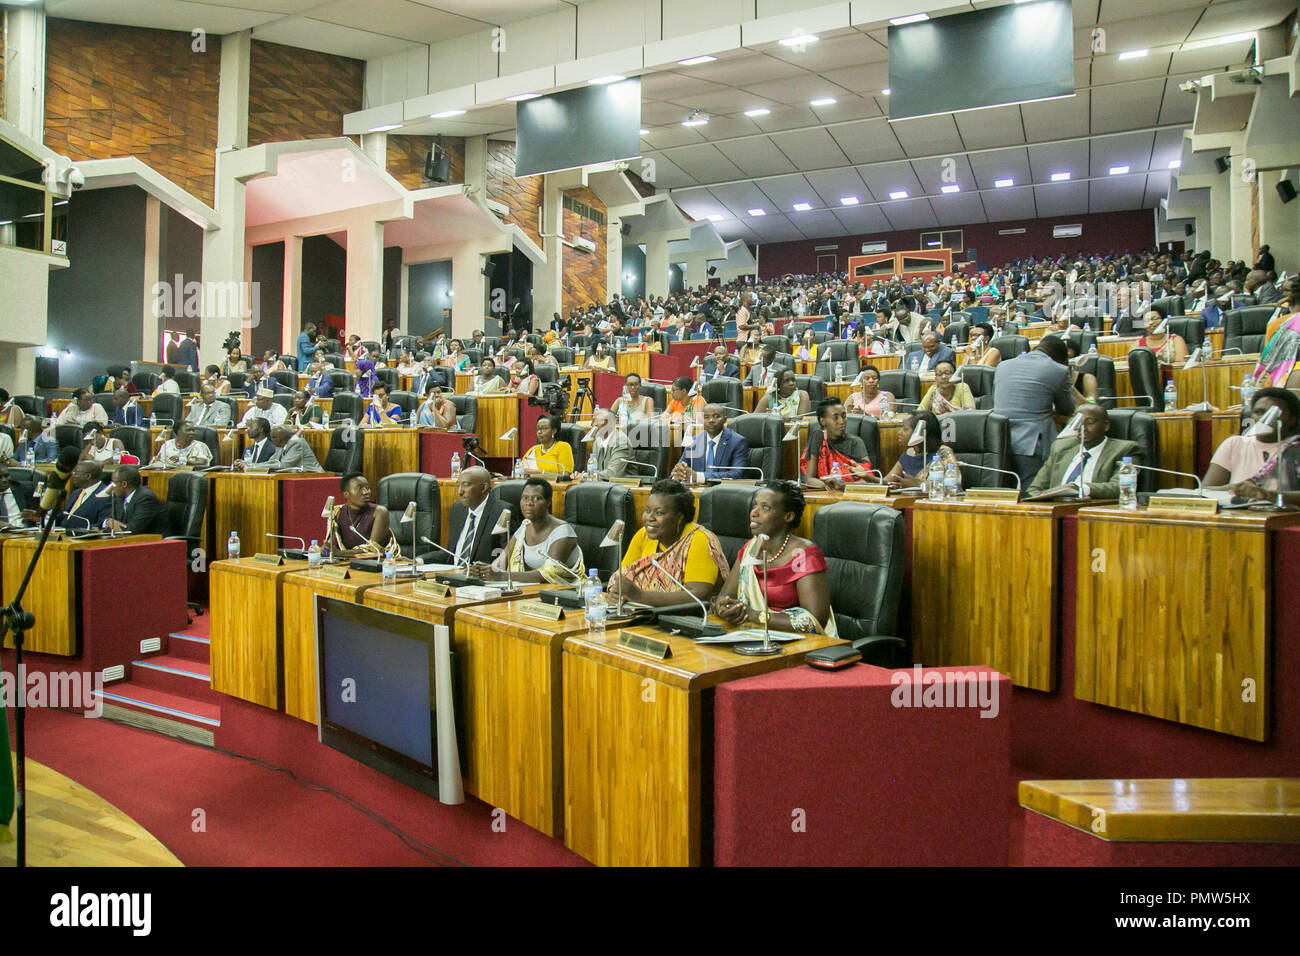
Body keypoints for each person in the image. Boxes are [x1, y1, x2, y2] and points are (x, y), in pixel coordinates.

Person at [712, 482, 836, 636]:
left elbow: (814, 620)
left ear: (788, 516)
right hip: (753, 636)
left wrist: (755, 616)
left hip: (802, 644)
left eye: (765, 508)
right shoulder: (750, 549)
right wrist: (725, 607)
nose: (754, 513)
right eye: (755, 506)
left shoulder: (803, 555)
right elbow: (724, 596)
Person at [613, 479, 728, 607]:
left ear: (679, 517)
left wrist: (640, 596)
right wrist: (617, 593)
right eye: (647, 511)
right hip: (642, 614)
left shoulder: (700, 540)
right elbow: (621, 579)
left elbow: (698, 596)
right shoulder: (643, 535)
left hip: (686, 620)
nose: (649, 518)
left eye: (659, 513)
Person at [992, 334, 1080, 485]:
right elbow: (1067, 409)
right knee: (1031, 493)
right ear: (1061, 358)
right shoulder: (1057, 369)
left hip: (998, 439)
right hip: (1032, 443)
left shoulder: (1003, 366)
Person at [468, 478, 584, 585]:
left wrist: (502, 576)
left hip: (565, 592)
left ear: (548, 502)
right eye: (525, 498)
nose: (529, 503)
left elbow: (548, 575)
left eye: (536, 498)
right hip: (533, 591)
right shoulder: (525, 526)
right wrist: (483, 570)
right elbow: (503, 560)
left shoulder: (563, 532)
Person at [1026, 403, 1138, 498]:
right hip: (1056, 509)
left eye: (1090, 422)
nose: (1082, 428)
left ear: (1106, 426)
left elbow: (1119, 487)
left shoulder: (1125, 449)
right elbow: (1035, 489)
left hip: (1091, 509)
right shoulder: (1061, 447)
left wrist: (1080, 487)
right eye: (1078, 422)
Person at [1205, 388, 1299, 490]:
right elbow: (1206, 492)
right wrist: (1235, 489)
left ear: (1292, 419)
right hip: (1235, 505)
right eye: (1258, 412)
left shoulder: (1295, 449)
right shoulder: (1234, 444)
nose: (1263, 418)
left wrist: (1267, 496)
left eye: (1271, 414)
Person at [801, 397, 875, 490]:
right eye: (835, 418)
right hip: (825, 494)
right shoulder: (818, 439)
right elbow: (809, 479)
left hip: (852, 495)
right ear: (822, 421)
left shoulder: (855, 442)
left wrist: (839, 486)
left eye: (844, 416)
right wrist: (828, 484)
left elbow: (868, 480)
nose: (841, 421)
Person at [446, 466, 508, 566]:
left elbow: (507, 554)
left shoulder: (502, 512)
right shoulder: (457, 509)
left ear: (484, 487)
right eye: (458, 486)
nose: (460, 492)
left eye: (466, 485)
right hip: (454, 574)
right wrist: (419, 560)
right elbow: (450, 552)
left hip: (482, 576)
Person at [672, 404, 751, 481]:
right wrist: (678, 475)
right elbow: (679, 469)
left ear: (725, 420)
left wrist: (699, 477)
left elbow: (737, 474)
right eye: (706, 417)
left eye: (716, 417)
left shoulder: (737, 442)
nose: (711, 420)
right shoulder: (694, 442)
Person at [883, 411, 957, 488]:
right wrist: (870, 478)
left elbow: (953, 485)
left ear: (920, 432)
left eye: (905, 429)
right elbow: (887, 482)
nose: (899, 432)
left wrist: (919, 485)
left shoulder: (943, 452)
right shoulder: (909, 453)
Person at [329, 473, 395, 557]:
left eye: (367, 488)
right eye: (360, 488)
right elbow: (333, 546)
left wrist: (340, 554)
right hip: (347, 564)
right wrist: (326, 549)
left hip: (381, 565)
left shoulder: (380, 512)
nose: (366, 492)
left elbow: (372, 549)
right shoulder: (338, 512)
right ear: (346, 494)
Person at [104, 465, 168, 534]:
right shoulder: (120, 497)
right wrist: (107, 521)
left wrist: (111, 525)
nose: (111, 486)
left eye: (114, 483)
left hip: (148, 540)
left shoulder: (146, 499)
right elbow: (110, 519)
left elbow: (132, 530)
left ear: (124, 484)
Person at [57, 461, 113, 531]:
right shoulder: (76, 492)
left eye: (76, 473)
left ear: (88, 476)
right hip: (61, 534)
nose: (73, 476)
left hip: (82, 538)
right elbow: (65, 516)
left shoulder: (106, 495)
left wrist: (84, 530)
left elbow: (102, 523)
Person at [587, 408, 635, 479]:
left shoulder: (621, 441)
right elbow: (596, 470)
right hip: (604, 484)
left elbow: (613, 474)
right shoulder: (597, 441)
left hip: (625, 485)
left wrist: (586, 475)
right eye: (593, 421)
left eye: (599, 421)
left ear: (611, 423)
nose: (594, 424)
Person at [0, 463, 36, 528]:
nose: (4, 480)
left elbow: (41, 517)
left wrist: (38, 517)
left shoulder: (25, 489)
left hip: (23, 533)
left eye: (6, 476)